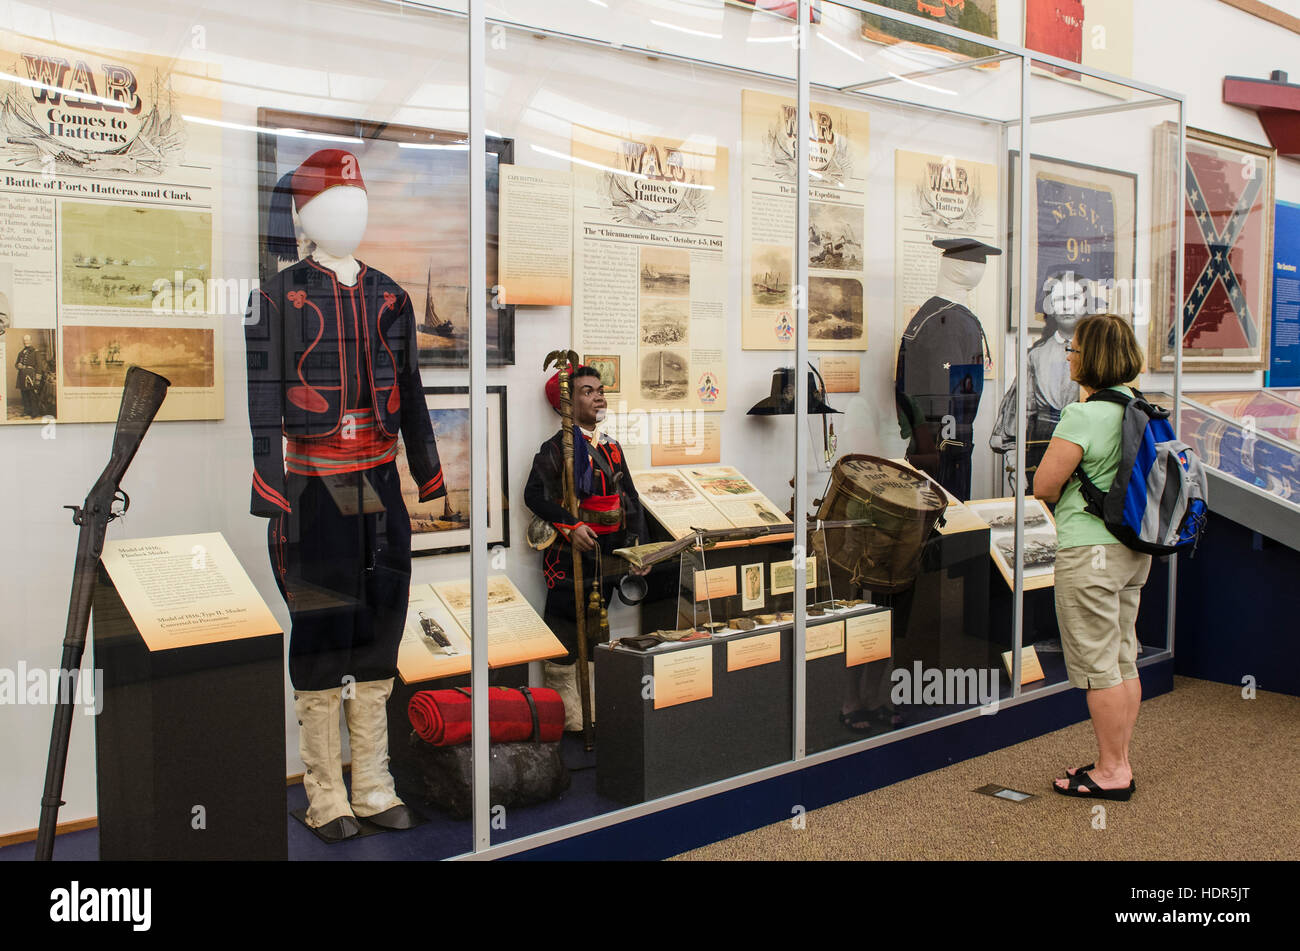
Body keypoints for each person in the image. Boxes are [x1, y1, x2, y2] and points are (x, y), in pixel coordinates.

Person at [1033, 313, 1148, 801]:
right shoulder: (1140, 409)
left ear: (1092, 358)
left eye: (1074, 349)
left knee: (1098, 666)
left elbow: (1044, 484)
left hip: (1089, 550)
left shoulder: (1083, 415)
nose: (1069, 356)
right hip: (1131, 550)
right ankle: (1117, 760)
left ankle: (1111, 771)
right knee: (1122, 658)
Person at [524, 365, 648, 730]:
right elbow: (534, 495)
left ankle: (591, 704)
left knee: (598, 626)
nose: (598, 396)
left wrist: (636, 545)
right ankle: (567, 711)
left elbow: (630, 498)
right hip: (570, 556)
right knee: (564, 624)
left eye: (600, 390)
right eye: (587, 390)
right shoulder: (555, 449)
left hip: (607, 554)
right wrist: (570, 526)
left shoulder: (611, 447)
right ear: (566, 402)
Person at [15, 334, 41, 418]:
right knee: (24, 394)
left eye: (27, 340)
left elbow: (39, 366)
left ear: (31, 341)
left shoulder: (35, 352)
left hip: (31, 375)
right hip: (22, 376)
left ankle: (34, 412)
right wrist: (18, 365)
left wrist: (37, 378)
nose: (26, 342)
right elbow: (16, 364)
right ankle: (27, 411)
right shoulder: (21, 352)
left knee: (32, 395)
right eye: (24, 340)